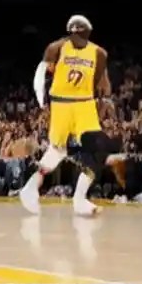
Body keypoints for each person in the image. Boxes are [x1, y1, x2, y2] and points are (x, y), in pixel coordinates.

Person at [20, 15, 111, 217]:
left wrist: (106, 101)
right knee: (57, 152)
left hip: (85, 104)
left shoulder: (98, 53)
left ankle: (79, 198)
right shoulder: (57, 47)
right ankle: (30, 187)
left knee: (98, 148)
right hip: (61, 103)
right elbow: (40, 72)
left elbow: (103, 81)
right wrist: (41, 98)